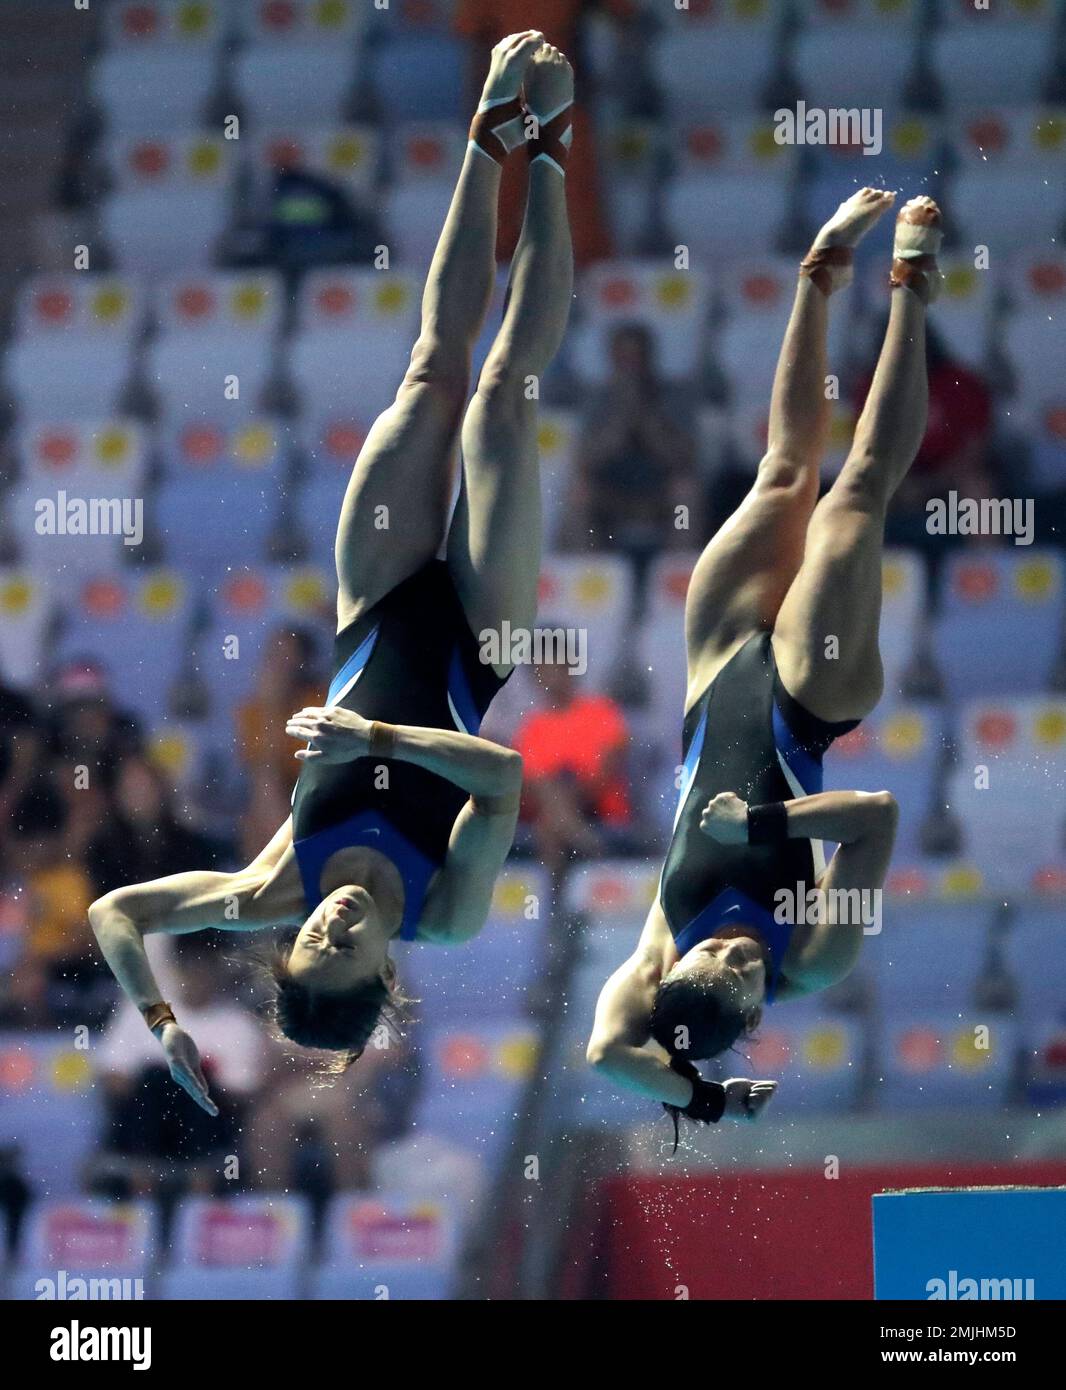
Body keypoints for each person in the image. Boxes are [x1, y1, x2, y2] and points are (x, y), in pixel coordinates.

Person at [89, 35, 575, 1115]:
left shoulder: (271, 884)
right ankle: (552, 158)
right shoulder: (442, 913)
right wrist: (377, 741)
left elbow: (116, 912)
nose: (330, 924)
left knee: (434, 368)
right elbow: (500, 779)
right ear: (384, 973)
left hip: (376, 594)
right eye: (346, 948)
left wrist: (163, 1021)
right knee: (503, 394)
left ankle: (494, 133)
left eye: (310, 941)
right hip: (477, 637)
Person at [586, 190, 941, 1144]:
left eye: (723, 964)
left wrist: (696, 1100)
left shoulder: (657, 950)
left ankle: (818, 275)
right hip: (810, 707)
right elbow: (876, 820)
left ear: (676, 974)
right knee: (854, 496)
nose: (744, 957)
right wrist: (771, 820)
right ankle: (912, 283)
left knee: (785, 469)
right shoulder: (814, 960)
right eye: (751, 978)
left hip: (715, 671)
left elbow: (605, 1053)